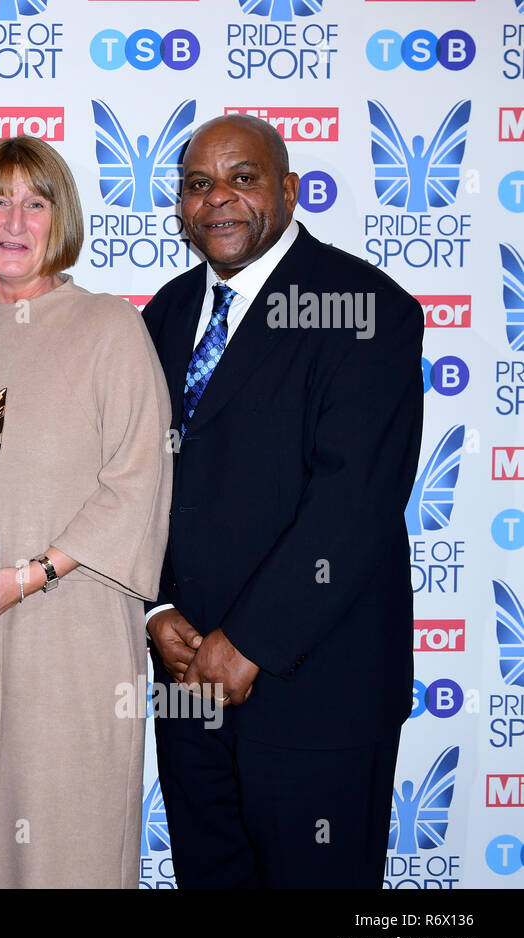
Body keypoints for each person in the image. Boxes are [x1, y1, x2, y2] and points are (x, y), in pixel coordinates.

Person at [143, 114, 423, 888]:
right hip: (185, 680)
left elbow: (354, 501)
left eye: (243, 177)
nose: (218, 200)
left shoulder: (365, 307)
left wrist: (254, 640)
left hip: (316, 692)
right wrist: (156, 609)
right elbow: (136, 483)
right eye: (198, 184)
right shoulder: (162, 315)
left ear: (290, 190)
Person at [0, 136, 172, 888]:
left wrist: (27, 577)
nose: (15, 220)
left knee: (73, 850)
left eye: (36, 201)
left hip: (75, 637)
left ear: (62, 219)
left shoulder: (110, 326)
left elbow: (136, 484)